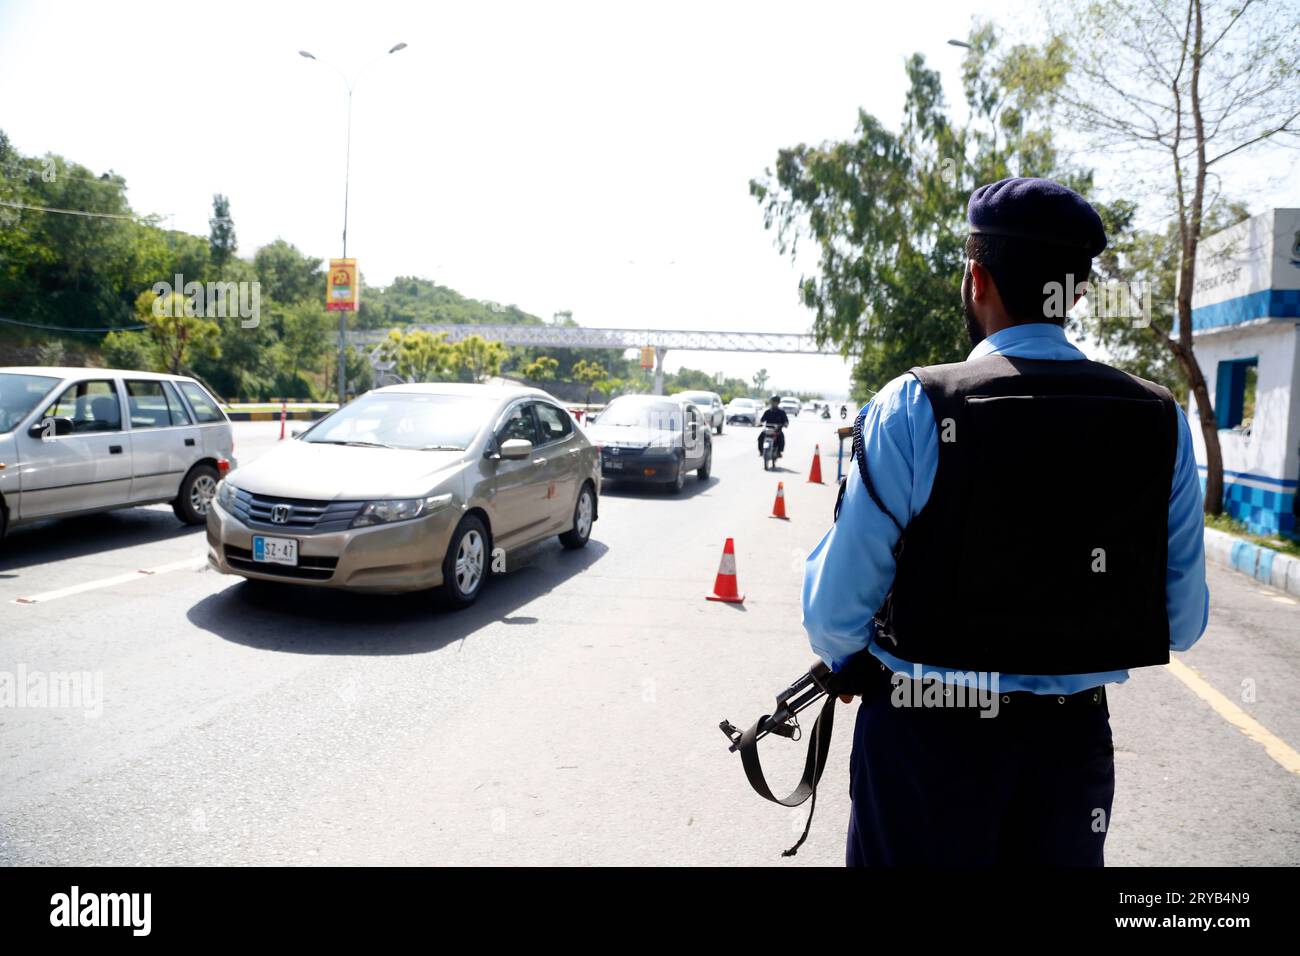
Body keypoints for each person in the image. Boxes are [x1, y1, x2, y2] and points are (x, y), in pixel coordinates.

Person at [802, 176, 1210, 867]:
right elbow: (1186, 620)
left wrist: (847, 663)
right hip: (1068, 755)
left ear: (977, 277)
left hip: (923, 750)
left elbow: (836, 614)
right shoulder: (1160, 419)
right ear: (1077, 294)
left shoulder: (913, 405)